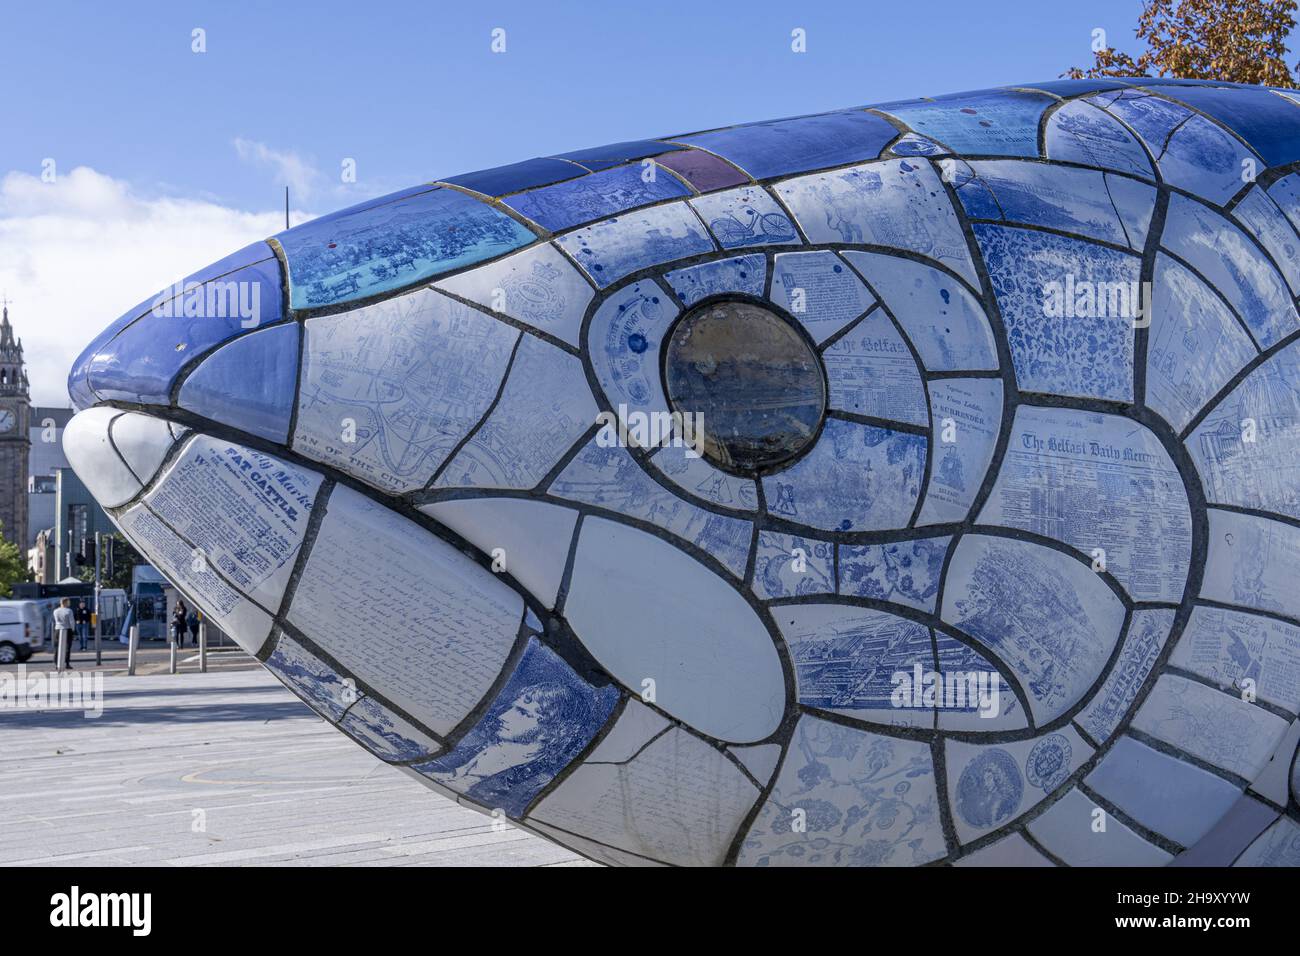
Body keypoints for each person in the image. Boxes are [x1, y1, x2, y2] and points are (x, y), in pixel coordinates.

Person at [53, 598, 76, 671]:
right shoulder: (69, 611)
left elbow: (56, 620)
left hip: (57, 629)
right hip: (67, 629)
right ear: (65, 603)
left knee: (57, 647)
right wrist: (73, 630)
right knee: (67, 647)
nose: (69, 603)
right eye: (68, 602)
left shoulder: (55, 611)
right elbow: (72, 622)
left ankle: (56, 663)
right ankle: (67, 663)